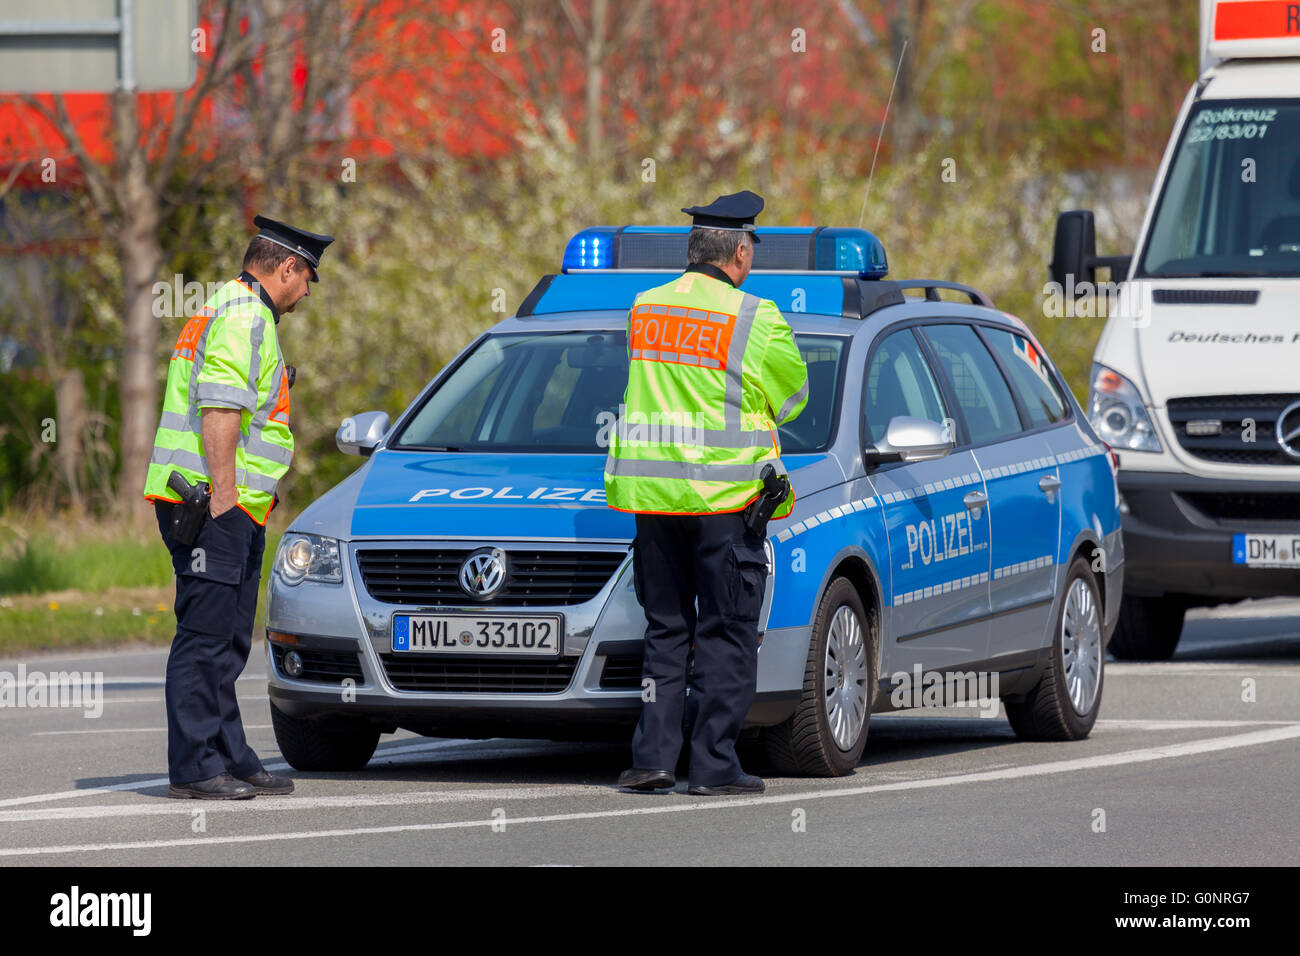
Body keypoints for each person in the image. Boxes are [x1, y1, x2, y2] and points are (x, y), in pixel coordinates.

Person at [605, 191, 808, 795]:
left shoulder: (645, 307)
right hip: (725, 504)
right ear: (740, 252)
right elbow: (794, 396)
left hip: (653, 500)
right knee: (726, 631)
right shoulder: (756, 315)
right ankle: (714, 766)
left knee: (666, 631)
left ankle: (654, 761)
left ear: (694, 250)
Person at [142, 215, 333, 799]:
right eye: (308, 279)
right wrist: (225, 500)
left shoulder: (228, 306)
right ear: (286, 268)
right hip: (212, 503)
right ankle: (196, 767)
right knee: (205, 637)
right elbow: (220, 411)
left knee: (227, 639)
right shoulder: (245, 316)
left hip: (229, 504)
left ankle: (230, 754)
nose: (306, 291)